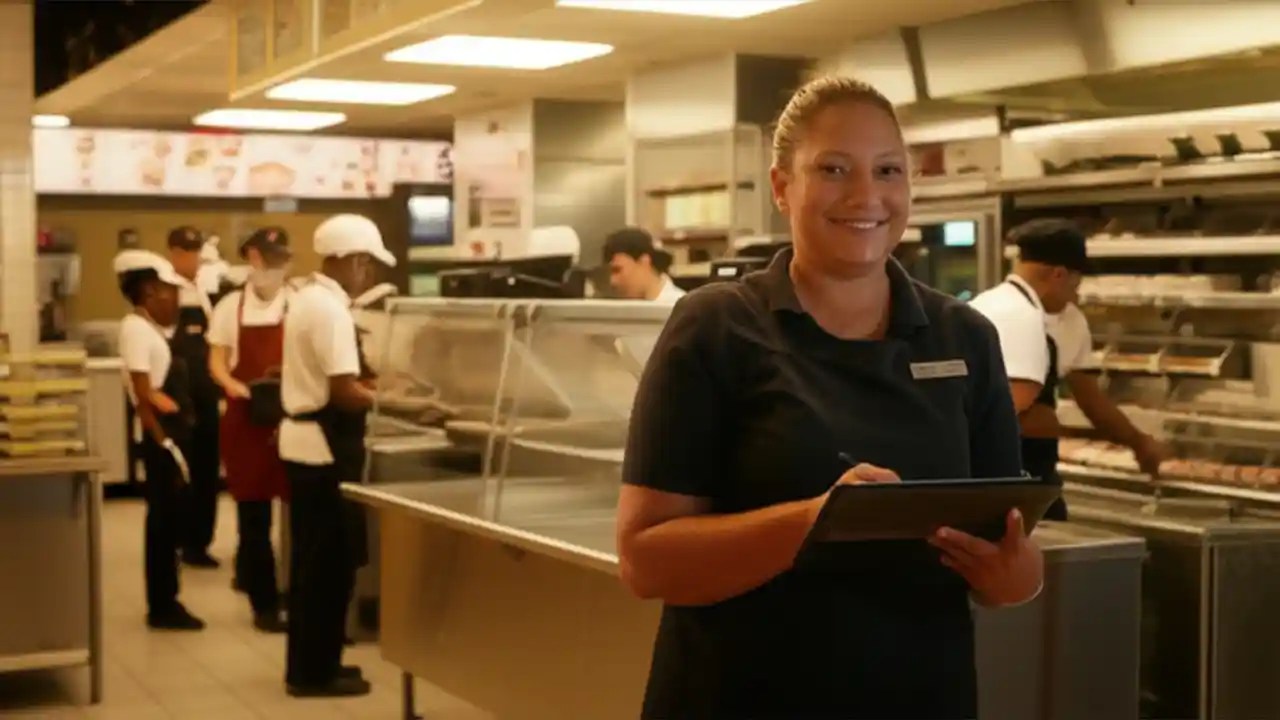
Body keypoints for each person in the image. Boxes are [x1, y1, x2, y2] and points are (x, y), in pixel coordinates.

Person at [616, 76, 1043, 720]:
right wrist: (816, 520)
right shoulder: (718, 327)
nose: (866, 195)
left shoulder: (966, 337)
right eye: (834, 169)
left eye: (888, 170)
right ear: (782, 187)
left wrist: (1013, 575)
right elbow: (647, 561)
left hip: (921, 696)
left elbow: (1013, 566)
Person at [970, 219, 1168, 520]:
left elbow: (1090, 398)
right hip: (1003, 481)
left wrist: (1137, 442)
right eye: (1076, 284)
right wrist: (1053, 424)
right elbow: (996, 417)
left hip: (1034, 477)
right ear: (1058, 275)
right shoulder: (1017, 317)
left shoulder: (1065, 318)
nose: (1076, 294)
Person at [278, 214, 394, 697]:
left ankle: (316, 662)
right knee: (326, 569)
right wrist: (395, 401)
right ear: (350, 260)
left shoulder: (309, 299)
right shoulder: (327, 310)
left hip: (306, 448)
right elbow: (344, 392)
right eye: (366, 263)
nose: (366, 274)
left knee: (315, 567)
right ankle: (314, 673)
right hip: (322, 451)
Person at [208, 227, 293, 634]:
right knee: (254, 517)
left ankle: (296, 592)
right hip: (246, 420)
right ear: (249, 258)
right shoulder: (229, 307)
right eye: (265, 259)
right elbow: (217, 361)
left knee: (298, 515)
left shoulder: (299, 302)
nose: (273, 268)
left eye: (280, 261)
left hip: (292, 416)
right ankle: (264, 601)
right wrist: (234, 386)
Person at [115, 249, 205, 631]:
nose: (175, 298)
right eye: (169, 289)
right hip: (162, 441)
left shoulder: (149, 329)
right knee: (164, 525)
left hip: (171, 438)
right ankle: (163, 605)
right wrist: (164, 442)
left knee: (171, 521)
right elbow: (141, 391)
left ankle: (168, 600)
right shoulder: (136, 329)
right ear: (149, 291)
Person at [166, 226, 221, 569]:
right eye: (186, 251)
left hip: (207, 392)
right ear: (173, 252)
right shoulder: (166, 290)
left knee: (207, 470)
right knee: (180, 472)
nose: (192, 257)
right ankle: (177, 537)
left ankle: (199, 542)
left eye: (196, 251)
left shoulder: (206, 288)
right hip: (179, 396)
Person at [603, 227, 685, 303]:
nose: (613, 281)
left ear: (644, 262)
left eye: (617, 270)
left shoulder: (681, 309)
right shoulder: (627, 310)